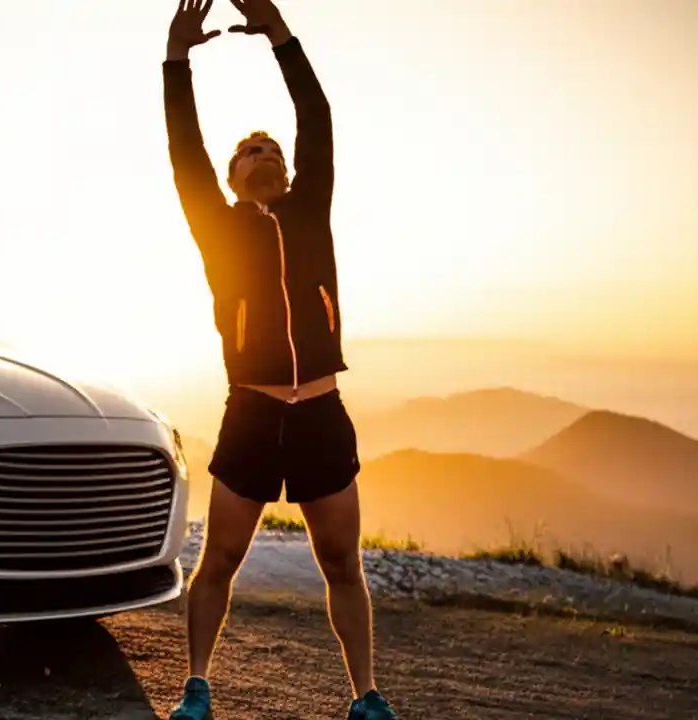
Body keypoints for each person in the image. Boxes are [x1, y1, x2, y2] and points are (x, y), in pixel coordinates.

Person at [161, 1, 398, 718]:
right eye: (249, 150)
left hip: (323, 411)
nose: (263, 152)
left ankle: (366, 698)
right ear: (233, 177)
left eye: (271, 149)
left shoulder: (309, 207)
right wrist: (176, 59)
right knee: (221, 561)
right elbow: (185, 152)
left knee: (341, 565)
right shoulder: (217, 227)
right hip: (253, 412)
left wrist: (278, 32)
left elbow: (315, 113)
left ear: (290, 172)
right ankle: (197, 688)